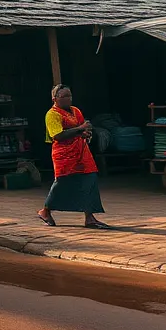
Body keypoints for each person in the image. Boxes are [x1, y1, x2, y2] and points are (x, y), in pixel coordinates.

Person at [39, 84, 110, 229]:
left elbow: (81, 128)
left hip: (81, 151)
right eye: (64, 96)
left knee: (89, 179)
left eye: (69, 95)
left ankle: (89, 217)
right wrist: (80, 129)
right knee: (63, 183)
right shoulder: (52, 114)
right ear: (54, 98)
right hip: (64, 154)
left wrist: (85, 133)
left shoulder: (76, 111)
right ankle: (46, 211)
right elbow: (57, 135)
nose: (68, 99)